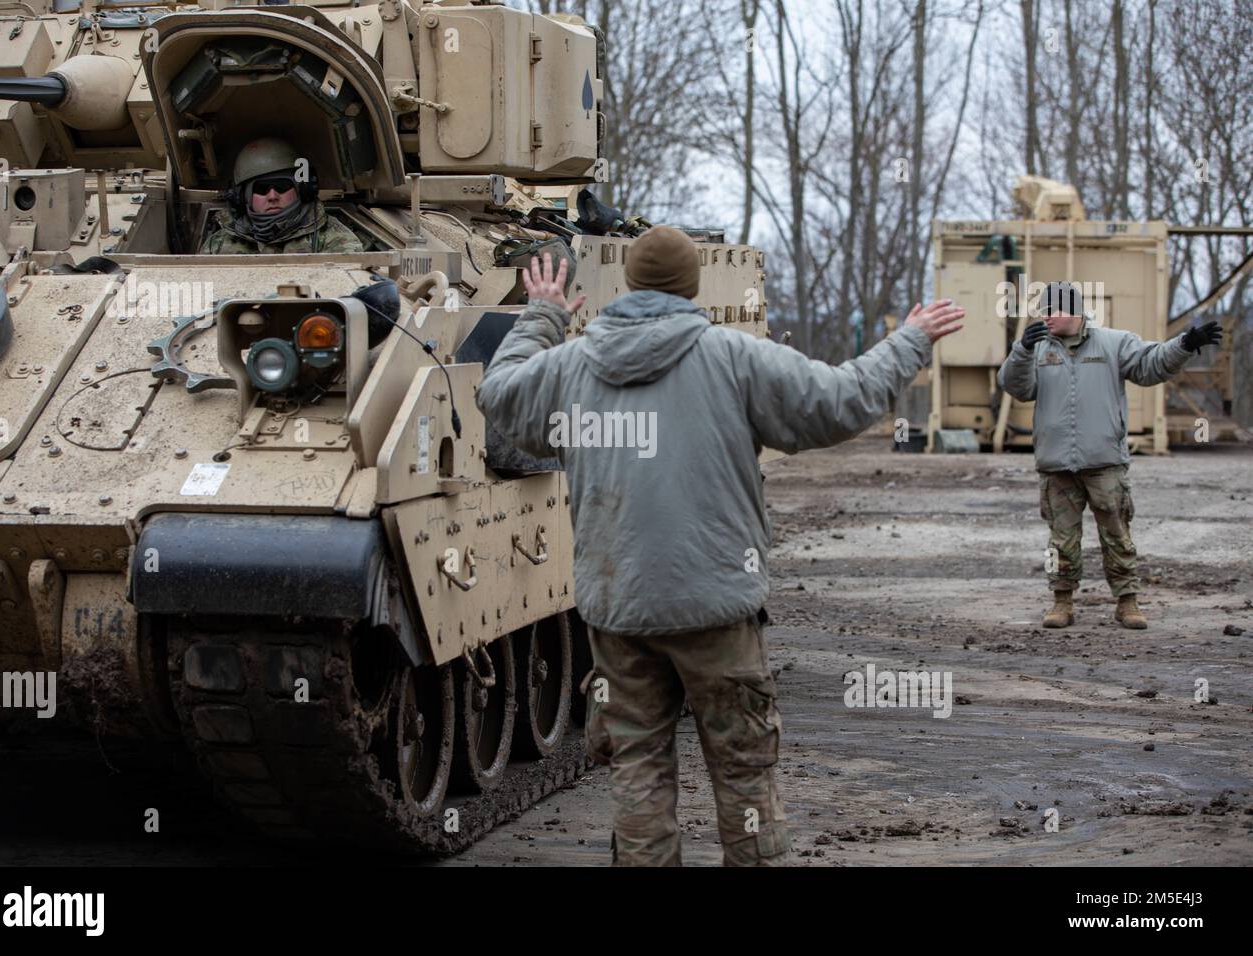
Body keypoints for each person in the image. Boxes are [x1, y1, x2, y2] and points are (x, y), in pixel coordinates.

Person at [475, 226, 964, 865]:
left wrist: (542, 314)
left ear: (629, 285)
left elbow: (498, 397)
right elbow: (844, 401)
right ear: (692, 286)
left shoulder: (572, 365)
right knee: (743, 772)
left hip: (619, 608)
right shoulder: (734, 358)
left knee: (638, 768)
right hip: (718, 608)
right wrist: (911, 339)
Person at [998, 281, 1221, 629]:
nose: (1046, 317)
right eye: (1043, 310)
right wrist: (1021, 351)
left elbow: (1151, 366)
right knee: (1060, 541)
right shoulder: (1038, 349)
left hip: (1104, 462)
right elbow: (1017, 388)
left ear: (1074, 311)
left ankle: (1127, 603)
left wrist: (1185, 345)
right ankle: (1061, 602)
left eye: (1052, 309)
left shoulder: (1114, 343)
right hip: (1057, 464)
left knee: (1117, 535)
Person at [200, 137, 363, 254]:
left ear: (302, 189)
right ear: (243, 196)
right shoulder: (219, 244)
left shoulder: (333, 238)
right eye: (262, 189)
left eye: (281, 186)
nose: (272, 196)